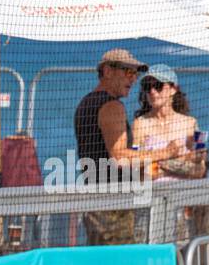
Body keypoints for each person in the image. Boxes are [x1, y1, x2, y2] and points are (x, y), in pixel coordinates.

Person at [73, 48, 186, 245]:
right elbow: (119, 157)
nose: (133, 79)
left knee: (101, 263)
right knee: (120, 263)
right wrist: (166, 152)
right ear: (107, 71)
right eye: (127, 72)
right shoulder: (112, 106)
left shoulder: (85, 102)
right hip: (114, 204)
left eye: (135, 73)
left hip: (94, 198)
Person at [132, 65, 206, 182]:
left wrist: (160, 164)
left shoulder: (191, 123)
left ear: (173, 89)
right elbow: (137, 170)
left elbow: (200, 169)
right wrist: (180, 159)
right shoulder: (139, 124)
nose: (152, 91)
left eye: (158, 86)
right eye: (147, 87)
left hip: (184, 194)